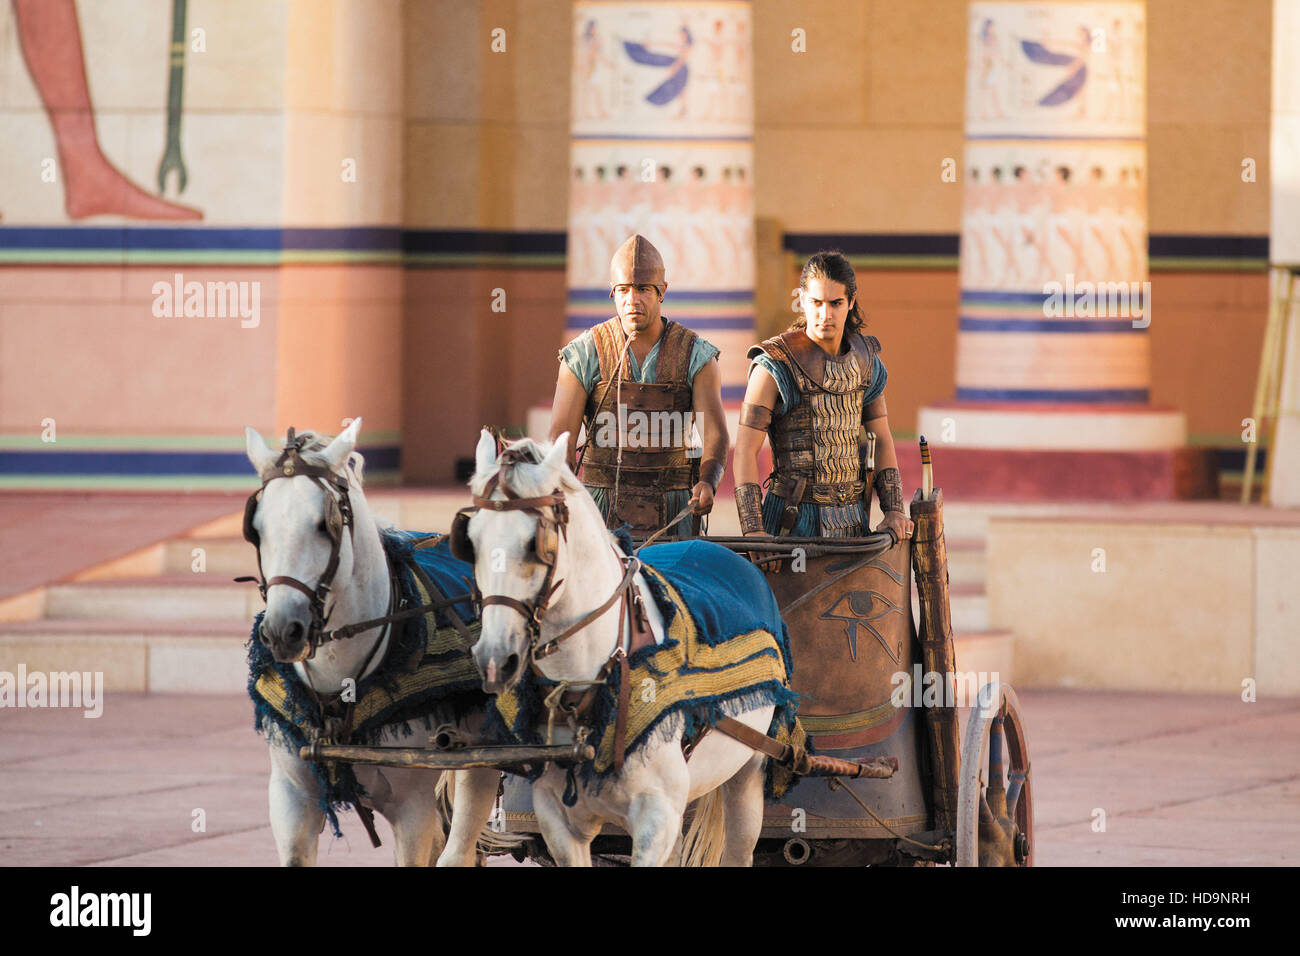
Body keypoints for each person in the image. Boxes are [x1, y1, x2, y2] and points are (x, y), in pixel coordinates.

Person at [733, 251, 913, 554]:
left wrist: (894, 509)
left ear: (851, 301)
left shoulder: (866, 361)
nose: (825, 314)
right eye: (816, 303)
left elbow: (881, 438)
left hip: (853, 520)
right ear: (802, 300)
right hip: (792, 522)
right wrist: (754, 531)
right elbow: (745, 450)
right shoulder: (774, 364)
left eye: (835, 303)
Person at [549, 234, 728, 537]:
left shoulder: (697, 355)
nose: (633, 299)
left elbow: (715, 434)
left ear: (662, 291)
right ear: (612, 293)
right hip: (600, 506)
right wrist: (561, 493)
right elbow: (561, 438)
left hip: (675, 508)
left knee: (676, 582)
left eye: (643, 289)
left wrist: (708, 482)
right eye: (623, 290)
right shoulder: (583, 353)